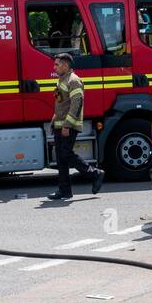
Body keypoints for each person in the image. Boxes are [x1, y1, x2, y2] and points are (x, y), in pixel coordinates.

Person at [47, 53, 104, 201]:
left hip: (68, 126)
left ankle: (95, 173)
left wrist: (67, 125)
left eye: (57, 65)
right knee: (61, 158)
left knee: (66, 154)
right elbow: (61, 103)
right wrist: (54, 119)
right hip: (60, 125)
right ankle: (64, 191)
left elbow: (76, 105)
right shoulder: (62, 80)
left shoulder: (74, 81)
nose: (54, 67)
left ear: (65, 65)